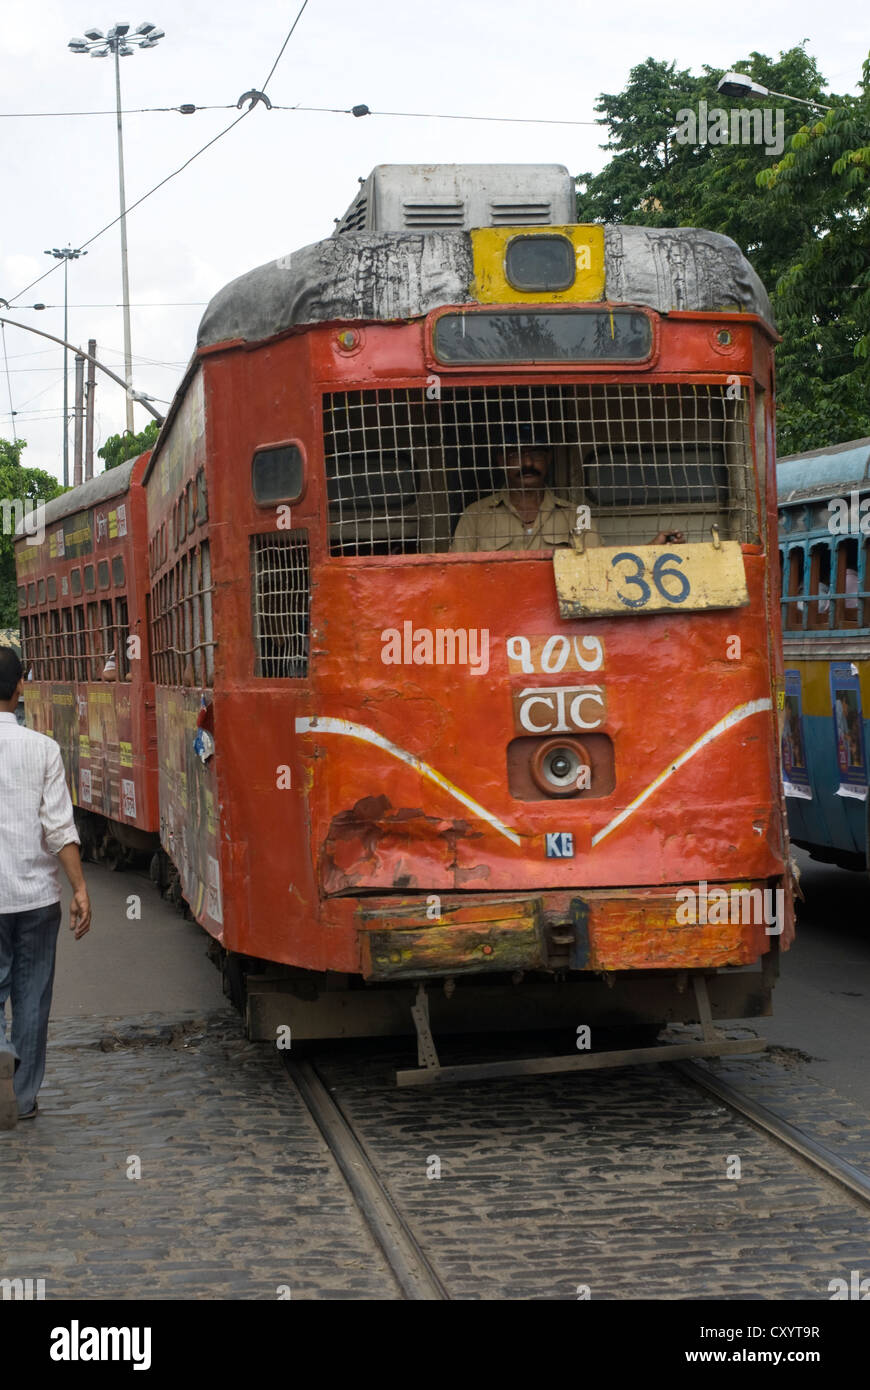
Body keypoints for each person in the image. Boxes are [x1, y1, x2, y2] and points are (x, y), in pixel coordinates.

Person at [0, 647, 91, 1130]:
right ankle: (25, 1096)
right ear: (19, 689)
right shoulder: (43, 749)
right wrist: (79, 889)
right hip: (35, 898)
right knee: (31, 998)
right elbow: (59, 828)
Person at [451, 426, 684, 551]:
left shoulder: (577, 514)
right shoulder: (476, 515)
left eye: (536, 453)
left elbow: (599, 565)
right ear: (501, 460)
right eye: (516, 454)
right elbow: (456, 574)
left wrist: (652, 550)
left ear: (549, 458)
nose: (528, 463)